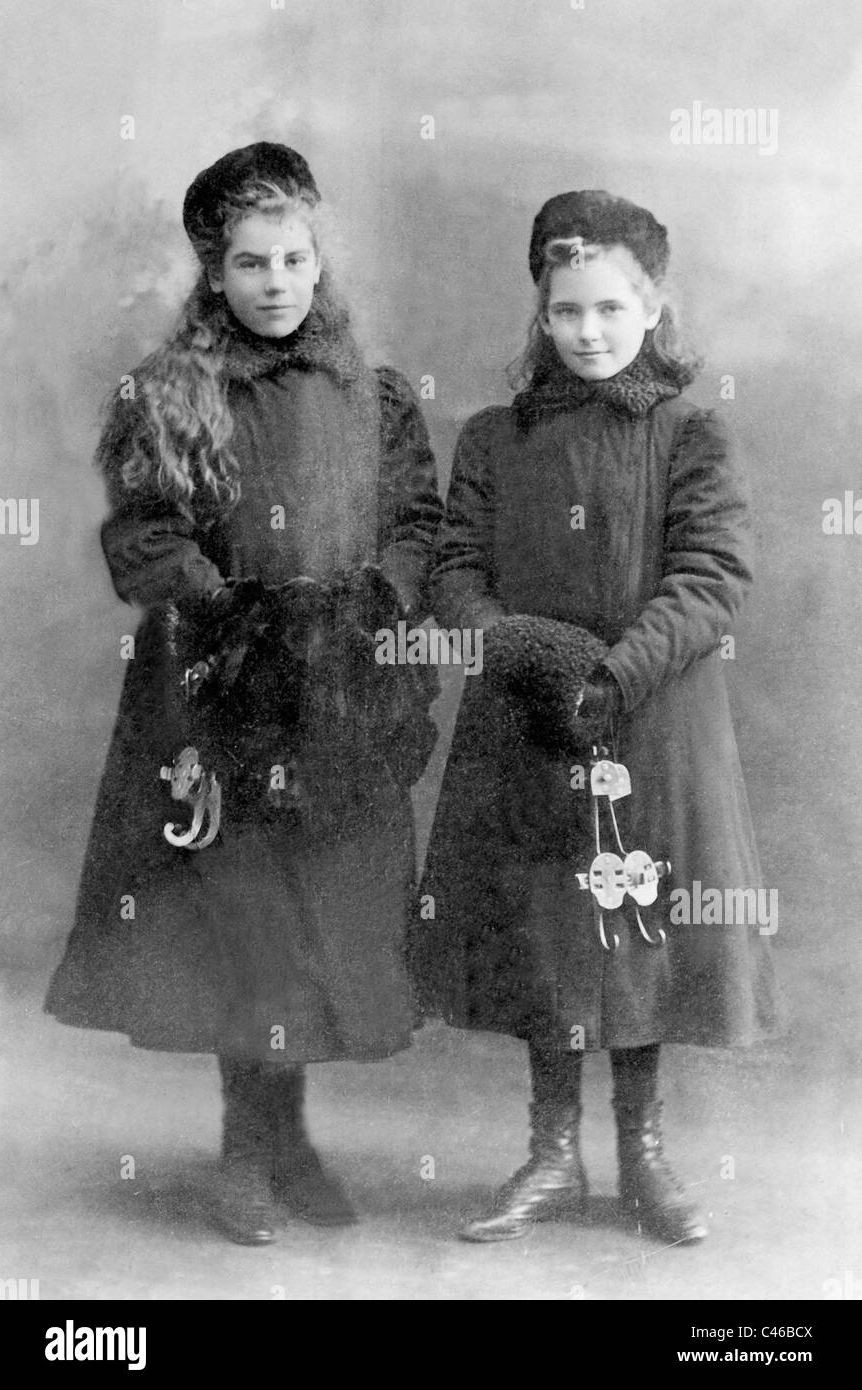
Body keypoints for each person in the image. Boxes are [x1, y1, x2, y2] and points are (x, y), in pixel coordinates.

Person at [45, 142, 443, 1246]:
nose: (277, 283)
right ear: (214, 274)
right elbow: (147, 533)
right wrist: (230, 611)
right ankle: (245, 1152)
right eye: (252, 263)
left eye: (295, 259)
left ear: (322, 263)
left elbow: (417, 524)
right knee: (247, 919)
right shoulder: (174, 396)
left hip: (338, 691)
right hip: (221, 691)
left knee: (327, 914)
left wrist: (375, 601)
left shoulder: (373, 396)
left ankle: (293, 1136)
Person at [413, 189, 782, 1245]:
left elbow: (712, 575)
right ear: (542, 313)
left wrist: (615, 676)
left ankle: (645, 1156)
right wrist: (521, 649)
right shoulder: (494, 437)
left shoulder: (690, 434)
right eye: (568, 311)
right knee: (546, 933)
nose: (589, 332)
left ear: (653, 306)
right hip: (528, 721)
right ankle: (552, 1153)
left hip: (651, 722)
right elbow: (454, 568)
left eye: (612, 310)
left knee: (637, 925)